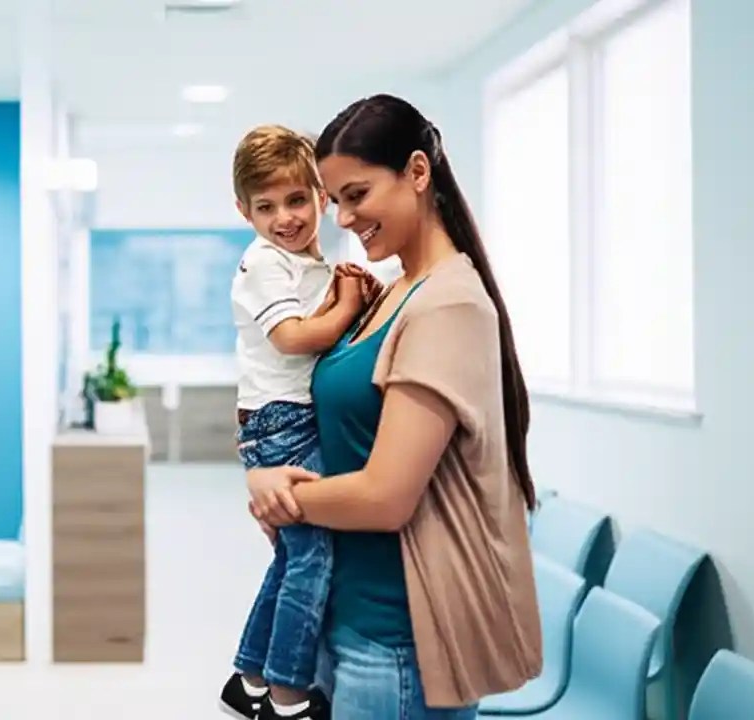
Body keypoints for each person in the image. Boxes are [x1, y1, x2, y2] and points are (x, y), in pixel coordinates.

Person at [245, 95, 542, 720]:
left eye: (357, 194)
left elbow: (386, 496)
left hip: (399, 640)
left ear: (416, 172)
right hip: (348, 617)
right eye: (336, 200)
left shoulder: (448, 305)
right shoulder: (390, 291)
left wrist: (279, 495)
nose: (345, 218)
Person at [218, 125, 382, 720]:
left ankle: (249, 680)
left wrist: (345, 292)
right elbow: (291, 340)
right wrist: (345, 308)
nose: (284, 218)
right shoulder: (264, 263)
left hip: (285, 418)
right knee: (313, 558)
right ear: (244, 211)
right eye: (265, 207)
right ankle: (288, 699)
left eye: (296, 200)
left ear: (322, 197)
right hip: (281, 422)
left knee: (293, 558)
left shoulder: (310, 261)